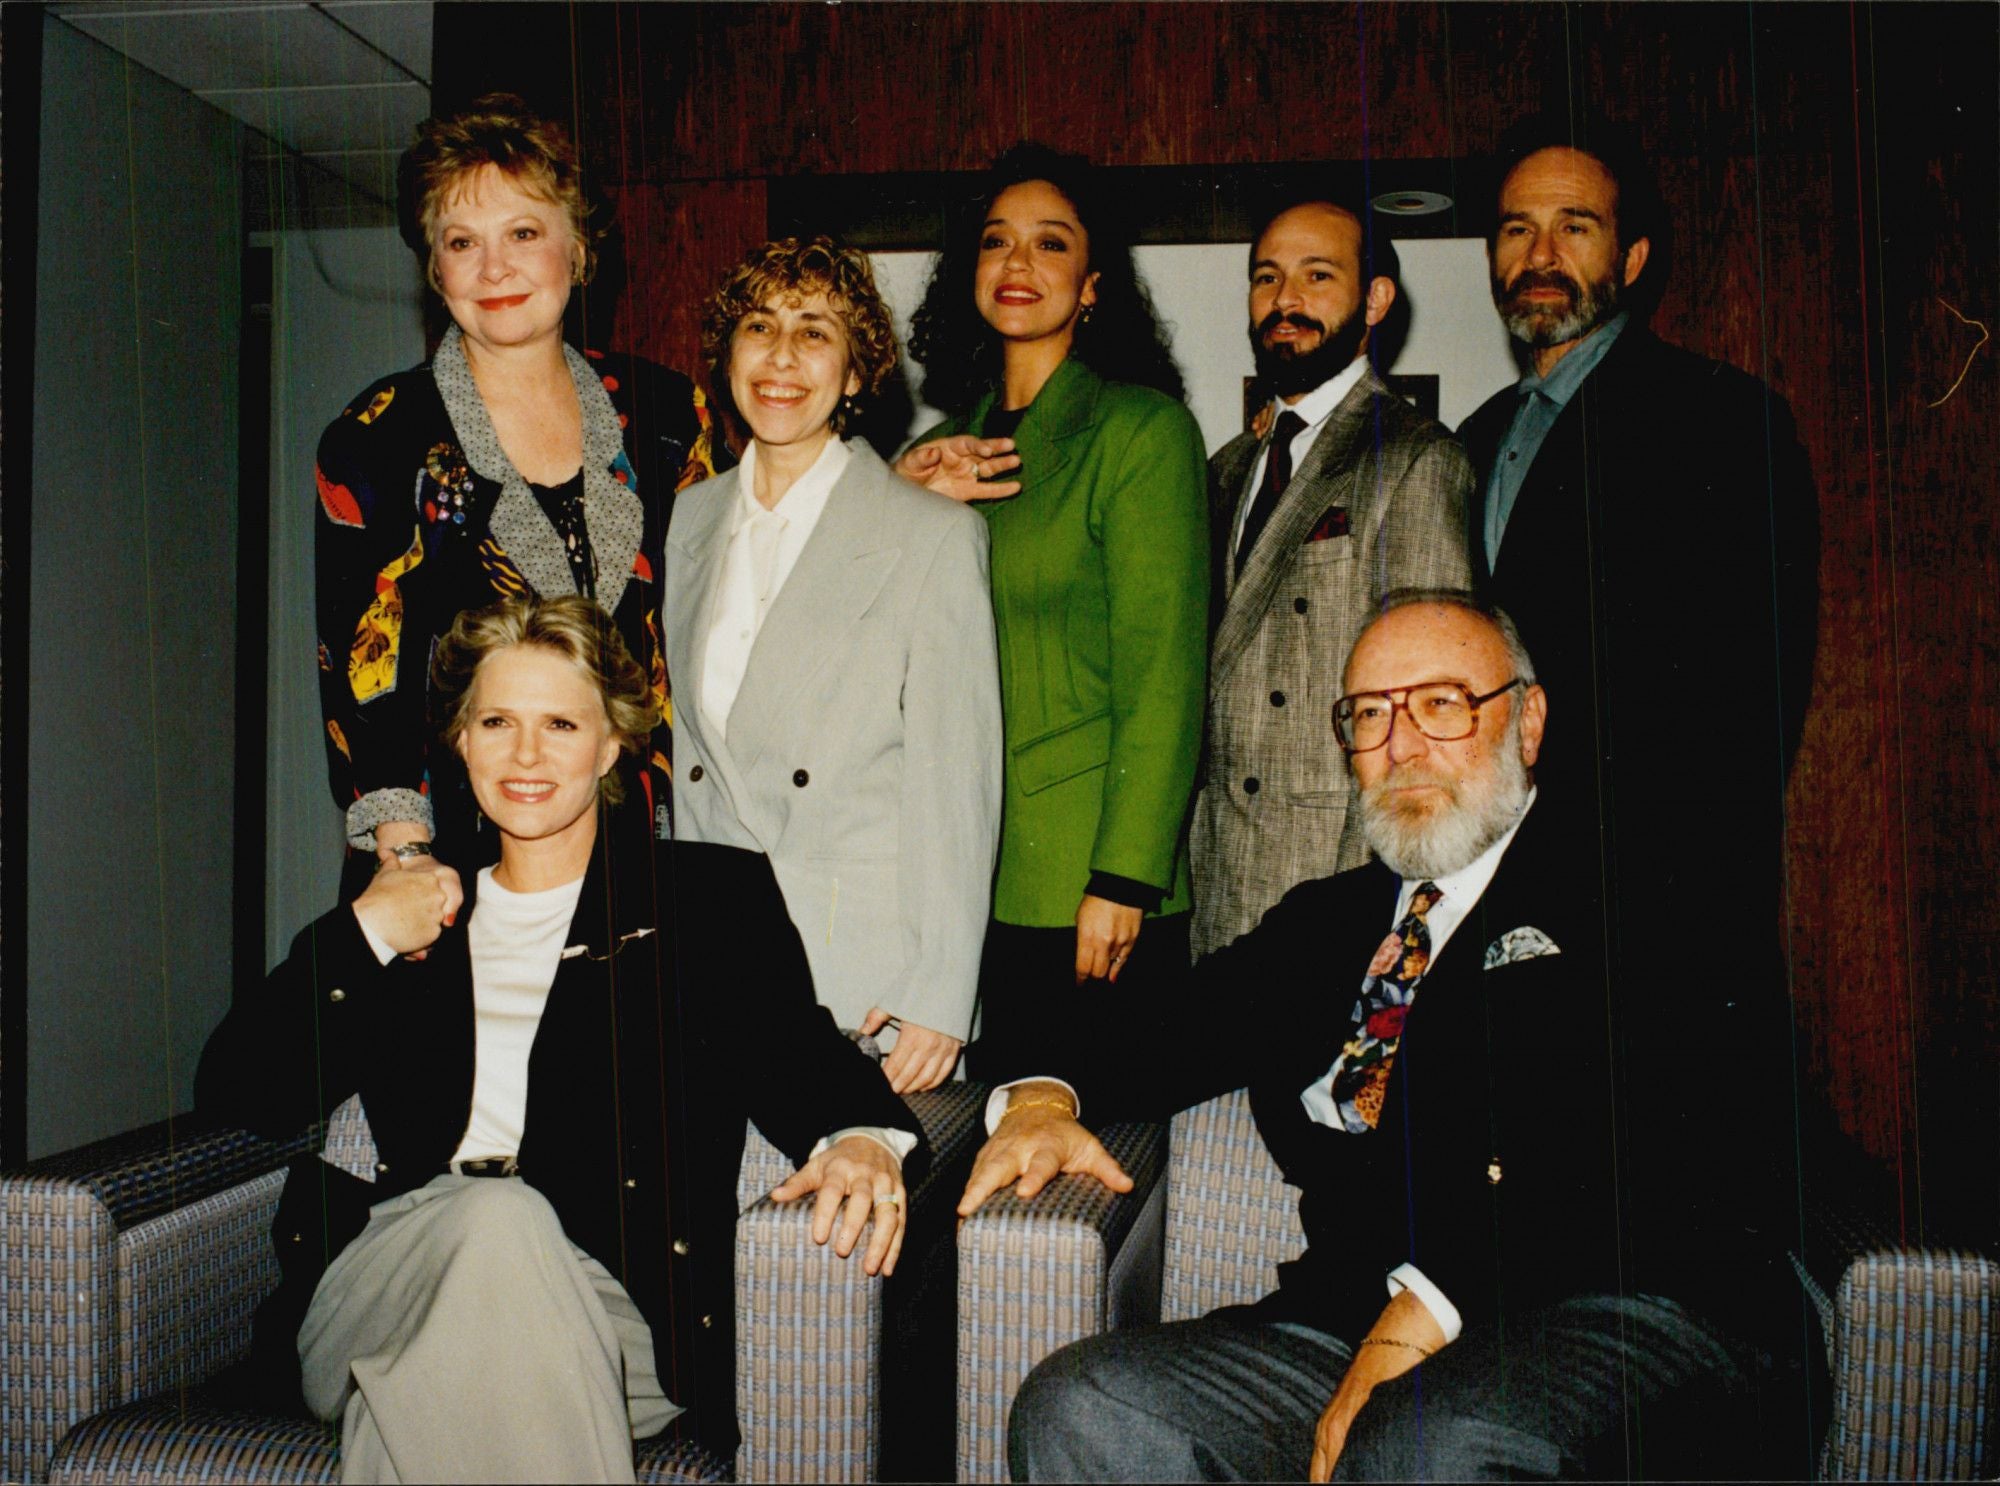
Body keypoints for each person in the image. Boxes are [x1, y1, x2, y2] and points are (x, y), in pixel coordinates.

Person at [960, 592, 1814, 1481]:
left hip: (1625, 1310)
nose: (1401, 744)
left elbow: (1672, 1146)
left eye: (1441, 704)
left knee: (1428, 1447)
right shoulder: (1324, 926)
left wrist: (1430, 1308)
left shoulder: (1647, 882)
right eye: (1370, 715)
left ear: (1528, 720)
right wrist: (1039, 1097)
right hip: (1344, 1330)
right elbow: (1146, 1028)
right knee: (1086, 1409)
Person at [198, 594, 919, 1484]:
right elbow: (242, 1092)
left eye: (561, 723)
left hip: (612, 1318)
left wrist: (859, 1138)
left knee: (446, 1378)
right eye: (497, 721)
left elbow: (795, 1053)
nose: (527, 755)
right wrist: (365, 934)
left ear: (610, 745)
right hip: (393, 1283)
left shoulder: (700, 901)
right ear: (460, 741)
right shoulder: (416, 924)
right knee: (493, 1218)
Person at [315, 94, 712, 892]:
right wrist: (405, 856)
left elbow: (731, 589)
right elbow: (362, 673)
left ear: (578, 245)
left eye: (523, 233)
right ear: (434, 267)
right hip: (453, 855)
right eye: (462, 242)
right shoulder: (377, 436)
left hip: (645, 837)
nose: (494, 269)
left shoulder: (669, 414)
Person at [1456, 120, 1819, 951]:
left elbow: (1743, 712)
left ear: (1633, 259)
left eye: (1574, 227)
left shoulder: (1721, 419)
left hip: (1652, 913)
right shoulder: (1472, 441)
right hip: (1489, 891)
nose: (1539, 254)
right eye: (1517, 229)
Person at [665, 236, 1001, 1092]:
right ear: (727, 356)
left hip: (861, 982)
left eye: (815, 332)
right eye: (758, 326)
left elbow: (957, 783)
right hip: (710, 959)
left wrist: (939, 991)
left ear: (856, 374)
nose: (781, 356)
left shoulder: (931, 535)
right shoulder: (682, 525)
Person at [906, 143, 1209, 1075]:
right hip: (959, 874)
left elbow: (1166, 673)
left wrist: (1124, 878)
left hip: (1088, 881)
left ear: (1091, 285)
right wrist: (891, 495)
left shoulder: (1142, 431)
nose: (1018, 263)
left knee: (1072, 1180)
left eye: (1050, 243)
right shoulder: (936, 452)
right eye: (997, 242)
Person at [1193, 198, 1473, 958]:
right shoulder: (1226, 469)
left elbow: (1427, 722)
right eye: (1267, 278)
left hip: (1332, 888)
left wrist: (1377, 916)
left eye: (1318, 275)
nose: (1286, 301)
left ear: (1375, 299)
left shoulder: (1415, 458)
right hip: (1217, 885)